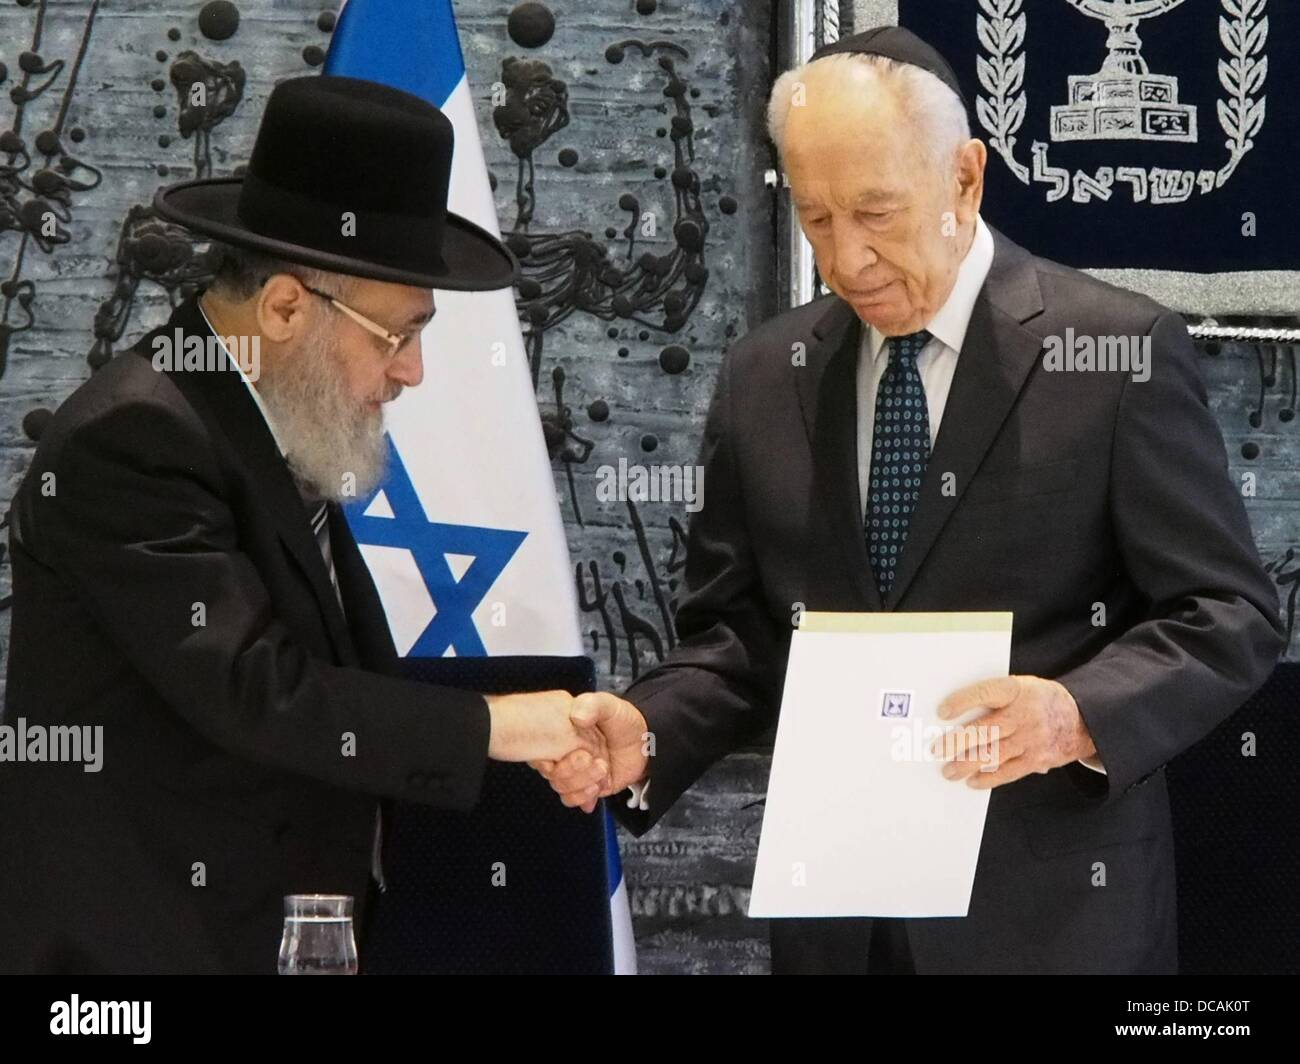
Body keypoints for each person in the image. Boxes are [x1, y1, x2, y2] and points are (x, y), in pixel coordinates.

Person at [536, 27, 1285, 974]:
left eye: (878, 213)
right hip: (837, 929)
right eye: (816, 218)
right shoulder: (766, 375)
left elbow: (1229, 613)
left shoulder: (1115, 355)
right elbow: (735, 639)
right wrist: (645, 731)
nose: (847, 260)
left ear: (966, 179)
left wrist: (1074, 712)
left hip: (1051, 927)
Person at [0, 75, 602, 973]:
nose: (414, 373)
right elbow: (258, 691)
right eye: (396, 334)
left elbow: (341, 685)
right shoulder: (136, 438)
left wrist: (565, 724)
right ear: (286, 307)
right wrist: (507, 725)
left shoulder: (279, 423)